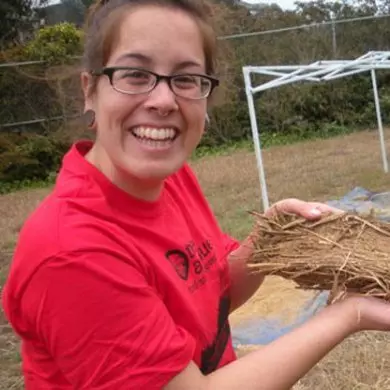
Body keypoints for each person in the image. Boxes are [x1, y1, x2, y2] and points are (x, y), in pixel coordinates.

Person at [2, 0, 390, 389]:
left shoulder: (173, 180)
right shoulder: (69, 252)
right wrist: (349, 315)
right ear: (90, 89)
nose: (163, 100)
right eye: (135, 74)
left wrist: (269, 237)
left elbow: (211, 299)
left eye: (186, 79)